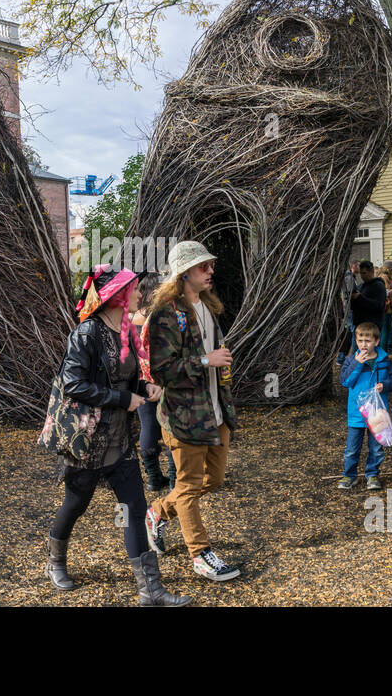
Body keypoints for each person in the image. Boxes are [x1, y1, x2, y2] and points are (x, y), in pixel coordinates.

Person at [45, 264, 190, 606]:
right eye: (135, 289)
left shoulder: (125, 329)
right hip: (88, 443)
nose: (141, 293)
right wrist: (126, 399)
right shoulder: (86, 334)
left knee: (134, 508)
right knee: (76, 504)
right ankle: (55, 561)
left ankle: (150, 591)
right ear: (117, 296)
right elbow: (74, 384)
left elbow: (125, 376)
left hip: (120, 442)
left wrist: (146, 386)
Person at [143, 241, 241, 582]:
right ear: (184, 273)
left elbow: (213, 353)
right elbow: (162, 371)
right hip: (184, 417)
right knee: (187, 486)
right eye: (203, 266)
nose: (210, 270)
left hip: (215, 412)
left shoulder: (208, 307)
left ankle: (156, 512)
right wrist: (205, 360)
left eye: (210, 265)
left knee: (211, 480)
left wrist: (221, 362)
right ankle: (200, 554)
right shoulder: (167, 314)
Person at [337, 321, 392, 490]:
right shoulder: (352, 359)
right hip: (357, 412)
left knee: (376, 448)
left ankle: (372, 475)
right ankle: (350, 476)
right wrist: (357, 363)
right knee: (352, 448)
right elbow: (345, 382)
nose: (364, 345)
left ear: (376, 342)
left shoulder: (384, 361)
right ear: (356, 341)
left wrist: (384, 385)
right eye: (360, 341)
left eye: (368, 341)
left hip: (377, 413)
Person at [133, 273, 175, 493]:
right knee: (169, 426)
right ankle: (174, 479)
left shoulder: (134, 318)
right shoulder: (163, 317)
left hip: (141, 380)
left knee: (147, 425)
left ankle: (153, 478)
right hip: (162, 380)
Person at [348, 260, 386, 356]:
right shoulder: (361, 286)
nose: (362, 276)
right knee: (358, 354)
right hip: (360, 325)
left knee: (370, 354)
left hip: (372, 326)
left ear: (372, 271)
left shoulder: (378, 286)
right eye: (361, 273)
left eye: (364, 273)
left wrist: (360, 298)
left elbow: (379, 305)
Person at [339, 259, 360, 356]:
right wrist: (360, 295)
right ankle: (352, 356)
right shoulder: (349, 277)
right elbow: (349, 294)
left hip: (351, 308)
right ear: (354, 266)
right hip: (350, 308)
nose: (360, 268)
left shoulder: (352, 277)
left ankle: (343, 357)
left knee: (351, 332)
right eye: (359, 266)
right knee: (353, 332)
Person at [379, 262, 392, 354]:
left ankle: (385, 352)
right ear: (389, 269)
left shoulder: (387, 277)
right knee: (384, 332)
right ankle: (382, 352)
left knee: (388, 331)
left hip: (389, 309)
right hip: (385, 309)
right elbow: (386, 293)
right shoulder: (383, 277)